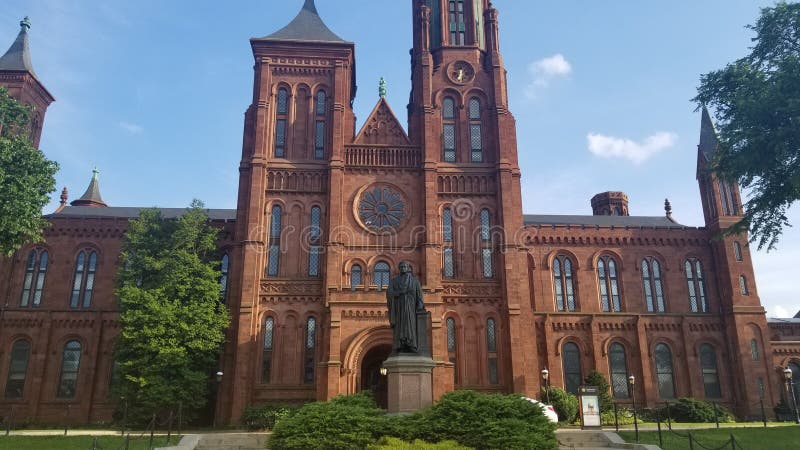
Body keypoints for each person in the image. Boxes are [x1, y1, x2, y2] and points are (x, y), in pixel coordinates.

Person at [386, 261, 425, 353]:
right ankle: (400, 344)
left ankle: (411, 344)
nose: (403, 268)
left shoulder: (415, 281)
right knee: (400, 326)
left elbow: (419, 295)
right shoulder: (394, 281)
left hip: (411, 308)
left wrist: (420, 306)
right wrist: (399, 293)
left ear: (408, 268)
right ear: (399, 269)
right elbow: (389, 293)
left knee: (411, 325)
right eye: (401, 266)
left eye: (405, 266)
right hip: (399, 307)